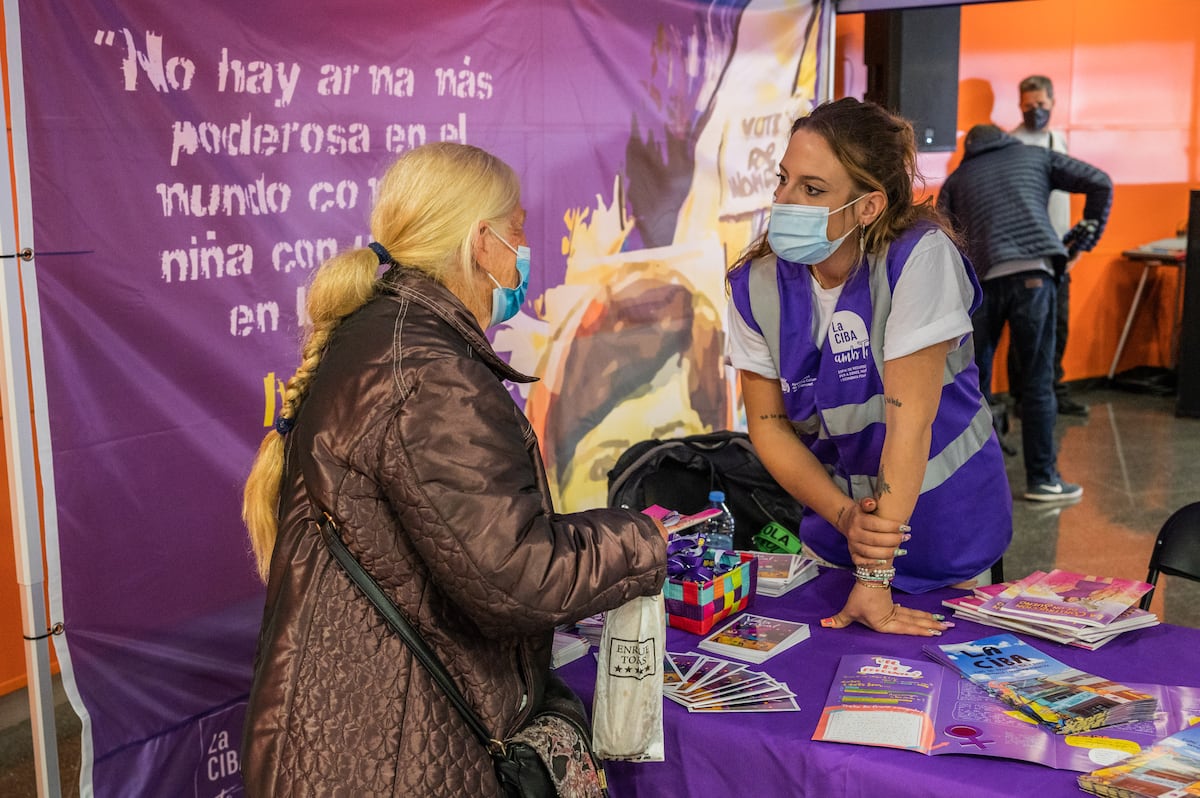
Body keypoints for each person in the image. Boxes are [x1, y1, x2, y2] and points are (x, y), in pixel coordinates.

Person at [240, 142, 669, 797]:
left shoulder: (382, 334)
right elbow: (516, 576)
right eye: (518, 232)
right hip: (385, 754)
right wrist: (640, 540)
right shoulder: (433, 376)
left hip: (348, 732)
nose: (525, 252)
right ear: (481, 241)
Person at [726, 98, 1012, 636]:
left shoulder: (918, 259)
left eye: (813, 190)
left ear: (868, 206)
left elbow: (910, 425)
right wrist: (843, 516)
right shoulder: (755, 284)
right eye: (784, 180)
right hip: (838, 536)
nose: (784, 201)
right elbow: (768, 426)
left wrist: (876, 574)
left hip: (946, 529)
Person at [938, 123, 1112, 502]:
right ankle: (1043, 479)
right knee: (1037, 379)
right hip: (1034, 275)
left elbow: (943, 238)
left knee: (974, 382)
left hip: (982, 282)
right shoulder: (1036, 156)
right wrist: (1086, 235)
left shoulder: (958, 178)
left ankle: (977, 479)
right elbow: (1100, 181)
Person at [1008, 74, 1087, 417]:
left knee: (1058, 324)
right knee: (1026, 330)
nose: (1035, 111)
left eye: (1041, 104)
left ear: (1052, 103)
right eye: (1029, 105)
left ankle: (1053, 389)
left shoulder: (1058, 141)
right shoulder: (1011, 144)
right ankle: (1023, 397)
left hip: (1058, 249)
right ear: (1019, 105)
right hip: (1026, 253)